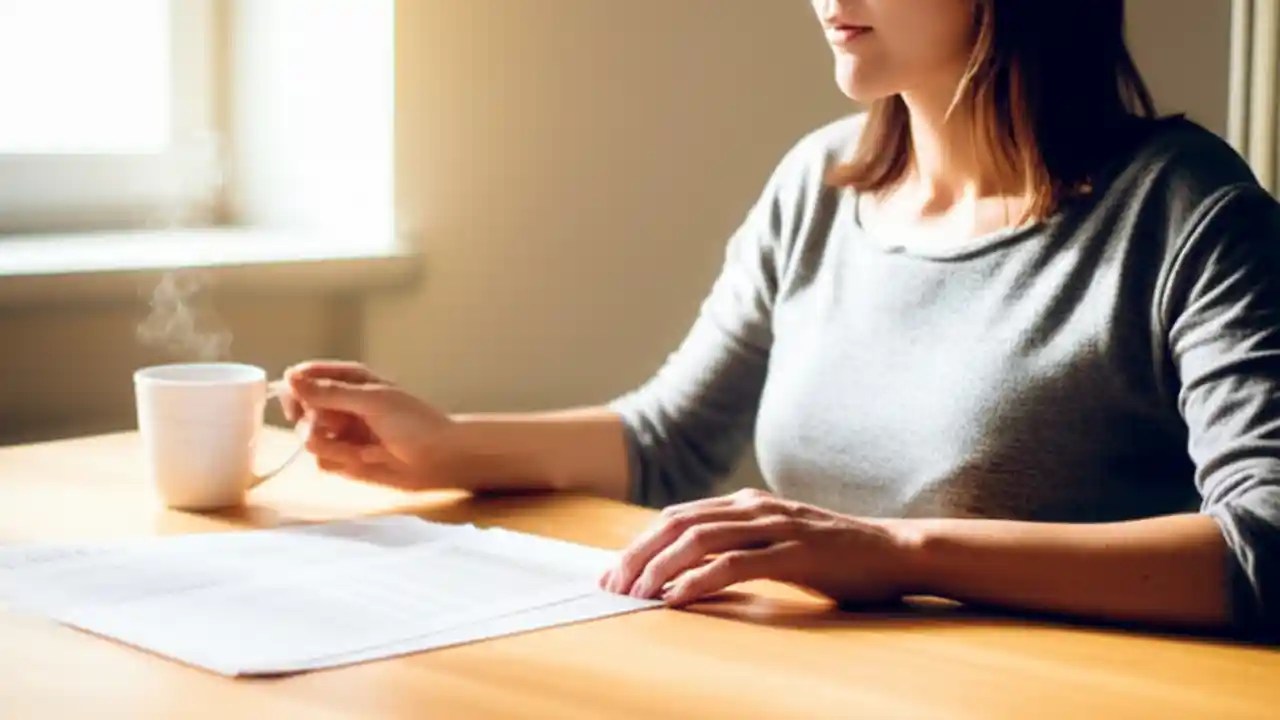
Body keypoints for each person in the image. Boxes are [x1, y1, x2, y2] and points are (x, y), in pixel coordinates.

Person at [282, 0, 1280, 638]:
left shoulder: (1191, 213)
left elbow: (1262, 545)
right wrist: (446, 446)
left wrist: (895, 553)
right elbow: (668, 441)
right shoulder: (816, 184)